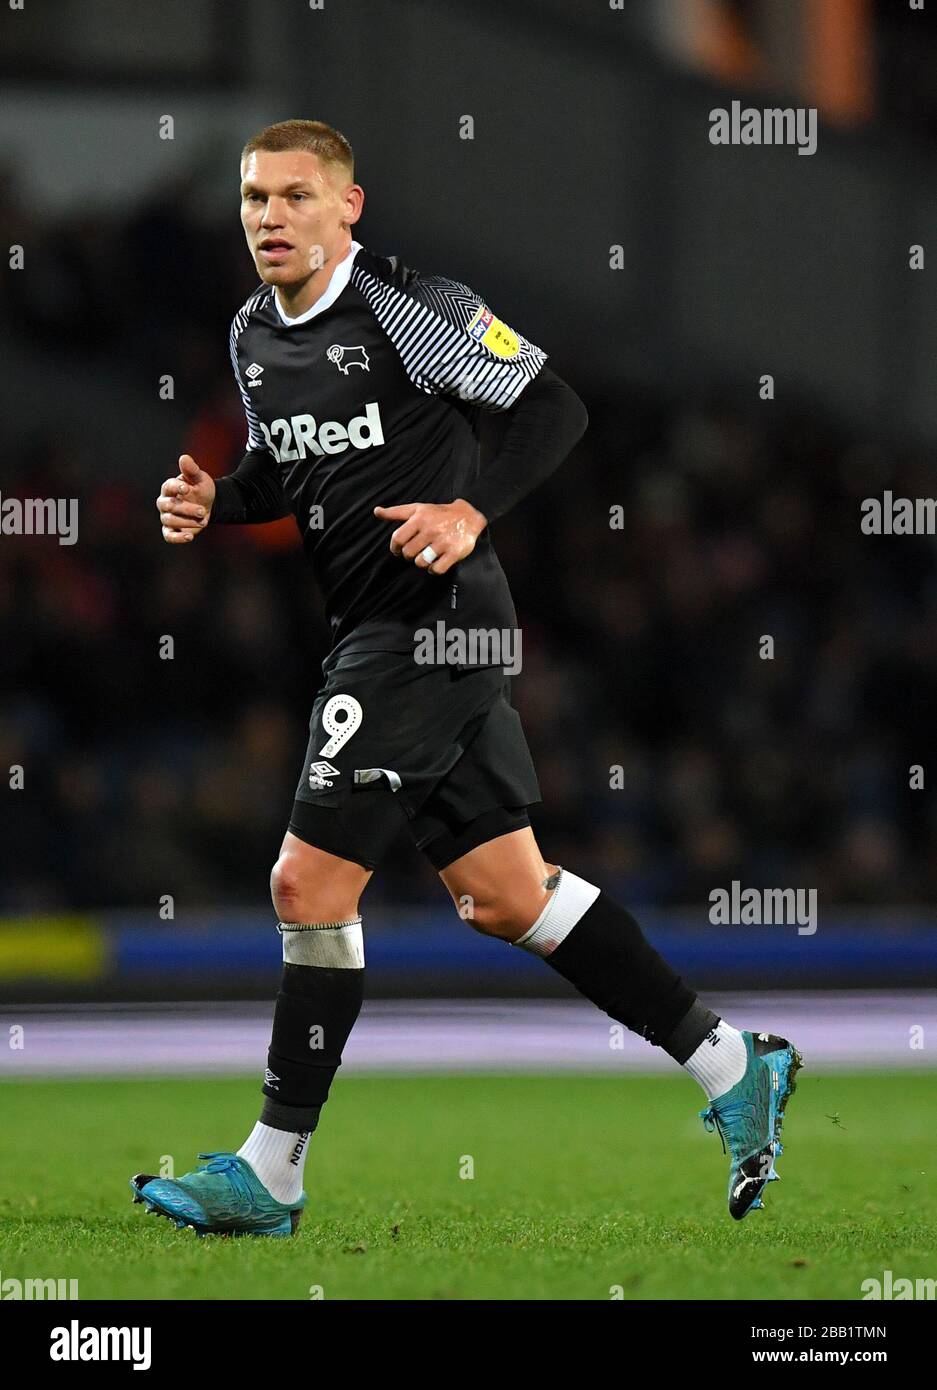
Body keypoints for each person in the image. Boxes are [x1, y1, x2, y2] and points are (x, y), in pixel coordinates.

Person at [133, 119, 801, 1238]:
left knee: (306, 887)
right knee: (508, 896)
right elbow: (286, 475)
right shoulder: (254, 331)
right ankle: (734, 1064)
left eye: (296, 196)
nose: (269, 218)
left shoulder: (406, 305)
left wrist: (468, 508)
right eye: (254, 198)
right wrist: (219, 500)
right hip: (383, 627)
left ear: (349, 206)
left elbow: (552, 406)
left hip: (430, 623)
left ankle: (272, 1168)